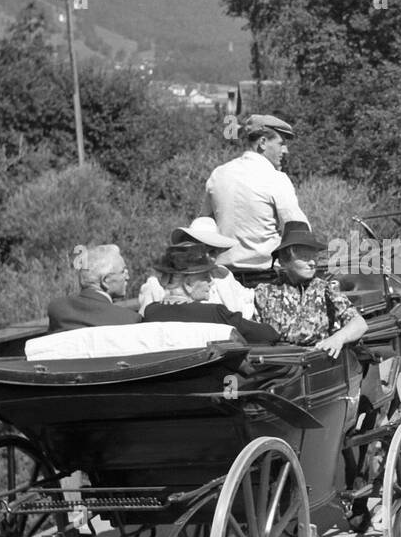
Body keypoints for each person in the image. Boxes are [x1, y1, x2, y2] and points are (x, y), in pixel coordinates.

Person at [204, 114, 305, 287]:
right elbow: (298, 229)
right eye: (281, 143)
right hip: (265, 281)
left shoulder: (218, 174)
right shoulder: (276, 179)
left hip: (222, 282)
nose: (285, 150)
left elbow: (204, 224)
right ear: (263, 143)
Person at [254, 221, 368, 359]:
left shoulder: (326, 290)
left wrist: (337, 339)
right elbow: (254, 334)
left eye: (314, 257)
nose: (312, 262)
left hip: (315, 364)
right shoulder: (264, 292)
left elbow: (359, 324)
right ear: (285, 260)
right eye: (304, 257)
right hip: (276, 363)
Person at [142, 242, 281, 345]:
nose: (211, 282)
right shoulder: (214, 313)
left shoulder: (151, 313)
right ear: (189, 284)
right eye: (206, 277)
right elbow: (269, 334)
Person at [137, 217, 256, 317]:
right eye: (204, 251)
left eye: (214, 252)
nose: (211, 258)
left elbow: (246, 302)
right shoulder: (156, 285)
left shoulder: (223, 276)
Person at [47, 244, 143, 332]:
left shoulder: (58, 311)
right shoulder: (129, 321)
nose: (127, 277)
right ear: (106, 281)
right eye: (123, 271)